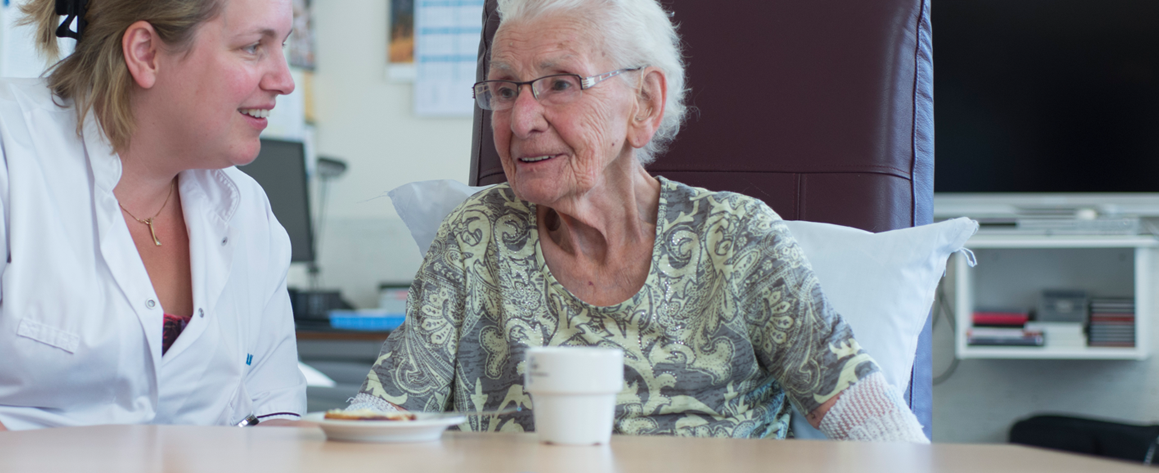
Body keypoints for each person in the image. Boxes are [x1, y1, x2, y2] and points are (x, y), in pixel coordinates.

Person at [349, 0, 927, 442]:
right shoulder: (475, 237)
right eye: (504, 90)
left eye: (561, 83)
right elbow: (385, 413)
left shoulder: (737, 238)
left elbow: (871, 421)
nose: (522, 119)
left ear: (645, 102)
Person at [0, 0, 308, 436]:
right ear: (146, 53)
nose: (284, 80)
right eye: (253, 47)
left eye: (282, 47)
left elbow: (275, 418)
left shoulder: (248, 213)